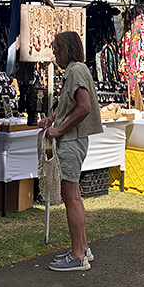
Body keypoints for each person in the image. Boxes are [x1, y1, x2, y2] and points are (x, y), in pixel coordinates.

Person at [38, 31, 102, 272]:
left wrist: (59, 129)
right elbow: (73, 104)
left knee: (71, 198)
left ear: (65, 48)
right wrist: (53, 119)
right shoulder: (77, 69)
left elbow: (84, 107)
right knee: (74, 196)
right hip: (74, 139)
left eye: (55, 48)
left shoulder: (75, 71)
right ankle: (82, 248)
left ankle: (77, 255)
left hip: (71, 141)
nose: (53, 52)